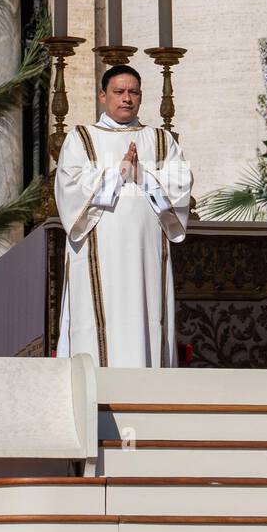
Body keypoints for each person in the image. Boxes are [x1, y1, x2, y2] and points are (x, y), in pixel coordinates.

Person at [55, 64, 193, 367]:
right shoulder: (82, 138)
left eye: (134, 92)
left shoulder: (160, 140)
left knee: (147, 316)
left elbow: (181, 184)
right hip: (98, 250)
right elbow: (69, 187)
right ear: (102, 96)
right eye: (119, 92)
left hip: (146, 254)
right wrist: (118, 173)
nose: (127, 98)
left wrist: (141, 175)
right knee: (99, 322)